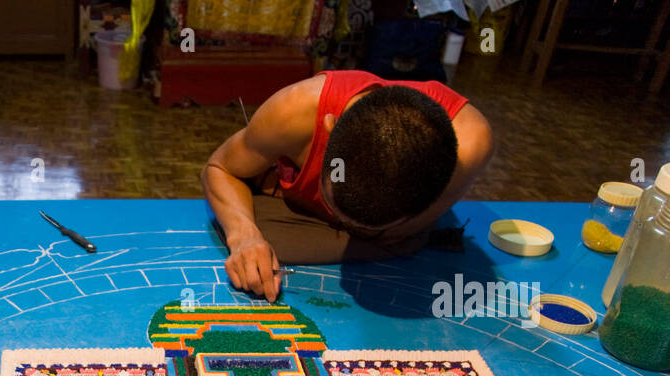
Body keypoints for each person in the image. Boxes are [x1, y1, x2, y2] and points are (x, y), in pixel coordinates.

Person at [202, 70, 495, 300]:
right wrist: (245, 237)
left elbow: (395, 235)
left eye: (363, 226)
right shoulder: (295, 111)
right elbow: (219, 168)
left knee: (401, 241)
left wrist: (387, 234)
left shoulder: (468, 148)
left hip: (378, 236)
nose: (341, 224)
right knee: (255, 243)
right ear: (330, 128)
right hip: (341, 229)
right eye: (332, 204)